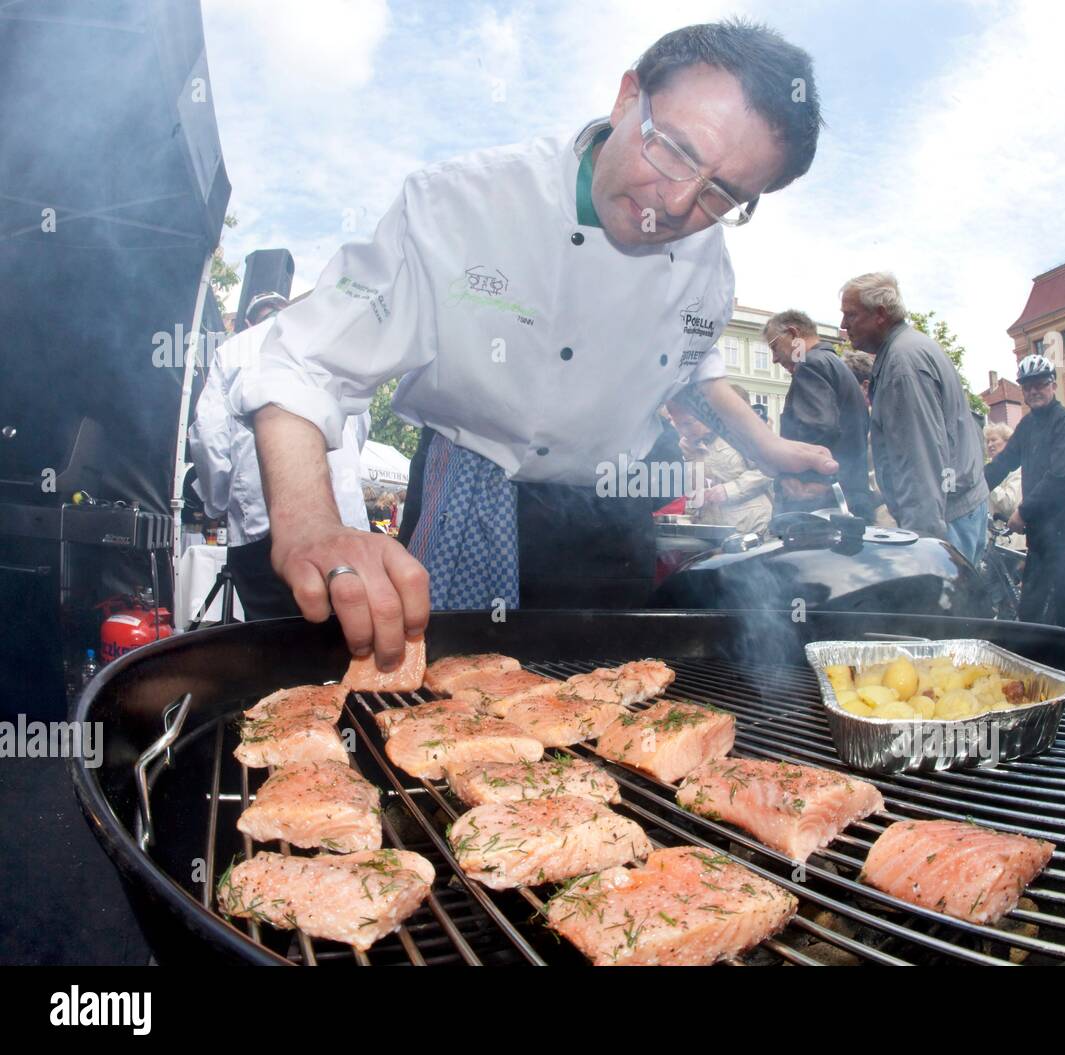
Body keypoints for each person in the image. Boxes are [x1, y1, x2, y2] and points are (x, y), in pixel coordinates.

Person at [228, 20, 837, 669]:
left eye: (723, 194)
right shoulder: (461, 204)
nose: (681, 201)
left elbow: (696, 362)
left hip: (611, 524)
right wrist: (311, 525)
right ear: (628, 98)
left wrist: (766, 447)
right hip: (475, 499)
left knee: (612, 710)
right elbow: (304, 360)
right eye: (676, 152)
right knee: (449, 709)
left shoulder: (709, 266)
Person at [188, 319, 371, 620]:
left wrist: (215, 502)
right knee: (345, 635)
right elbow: (359, 426)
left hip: (260, 529)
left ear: (248, 320)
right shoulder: (333, 343)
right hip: (346, 521)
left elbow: (209, 437)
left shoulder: (235, 348)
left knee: (273, 645)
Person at [841, 272, 989, 564]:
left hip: (946, 521)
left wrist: (926, 549)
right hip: (958, 511)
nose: (844, 325)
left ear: (880, 315)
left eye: (851, 315)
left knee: (942, 609)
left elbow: (921, 460)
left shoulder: (902, 364)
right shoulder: (909, 348)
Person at [983, 355, 1065, 626]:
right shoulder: (1028, 425)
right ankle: (1031, 660)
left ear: (1052, 386)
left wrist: (1023, 512)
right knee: (1030, 609)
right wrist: (972, 491)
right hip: (1040, 536)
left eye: (1039, 385)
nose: (1033, 392)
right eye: (1027, 387)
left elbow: (1059, 478)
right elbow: (1003, 464)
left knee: (1062, 611)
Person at [763, 308, 873, 515]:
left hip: (819, 503)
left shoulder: (810, 365)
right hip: (847, 496)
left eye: (775, 346)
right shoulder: (834, 365)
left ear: (794, 335)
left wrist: (801, 482)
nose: (775, 359)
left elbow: (815, 429)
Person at [666, 394, 772, 534]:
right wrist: (692, 508)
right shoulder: (685, 445)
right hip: (712, 530)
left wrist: (729, 490)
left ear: (705, 415)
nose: (683, 431)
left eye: (688, 423)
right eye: (678, 424)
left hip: (753, 527)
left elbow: (768, 470)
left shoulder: (738, 432)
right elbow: (694, 486)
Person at [984, 422, 1025, 551]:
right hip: (993, 541)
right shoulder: (988, 469)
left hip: (1012, 543)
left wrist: (989, 483)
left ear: (1008, 442)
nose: (990, 445)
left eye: (994, 440)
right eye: (987, 441)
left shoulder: (1017, 470)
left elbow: (1009, 503)